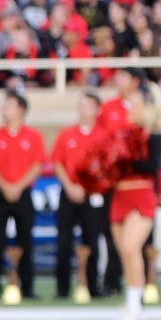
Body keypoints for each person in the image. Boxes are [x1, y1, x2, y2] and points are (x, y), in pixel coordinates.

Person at [103, 83, 161, 320]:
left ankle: (135, 305)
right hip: (120, 194)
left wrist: (126, 156)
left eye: (135, 104)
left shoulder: (155, 135)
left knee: (131, 247)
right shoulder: (124, 133)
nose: (130, 108)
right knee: (124, 253)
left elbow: (152, 167)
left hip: (141, 194)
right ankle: (132, 301)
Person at [49, 91, 110, 304]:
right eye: (81, 105)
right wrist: (69, 186)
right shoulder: (67, 135)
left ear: (97, 110)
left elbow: (108, 167)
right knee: (63, 240)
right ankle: (62, 287)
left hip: (92, 194)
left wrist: (87, 186)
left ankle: (93, 285)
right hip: (69, 193)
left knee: (92, 240)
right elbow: (58, 163)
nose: (83, 110)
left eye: (88, 106)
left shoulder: (104, 136)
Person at [0, 91, 44, 305]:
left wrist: (18, 186)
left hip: (23, 193)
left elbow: (37, 165)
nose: (4, 109)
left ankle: (27, 286)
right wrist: (5, 186)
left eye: (9, 105)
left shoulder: (33, 136)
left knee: (25, 240)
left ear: (21, 110)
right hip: (0, 193)